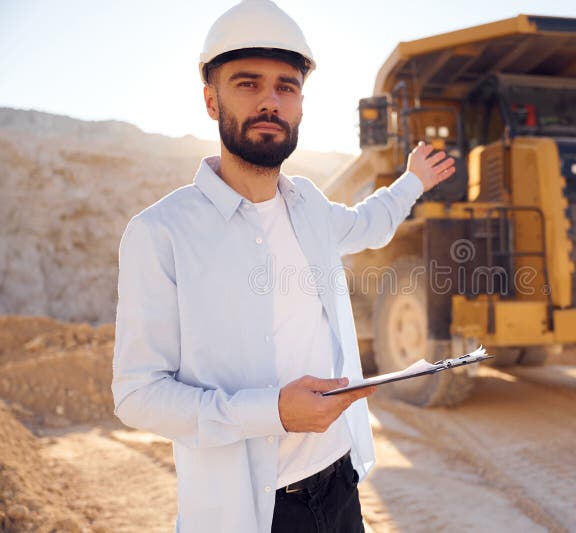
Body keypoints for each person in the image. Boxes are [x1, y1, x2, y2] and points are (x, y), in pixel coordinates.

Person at [110, 1, 455, 532]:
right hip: (255, 511)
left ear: (300, 107)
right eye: (248, 84)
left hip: (339, 483)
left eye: (285, 87)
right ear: (211, 100)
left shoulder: (308, 205)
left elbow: (369, 224)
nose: (270, 101)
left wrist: (412, 181)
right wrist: (272, 412)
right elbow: (137, 395)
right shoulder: (161, 233)